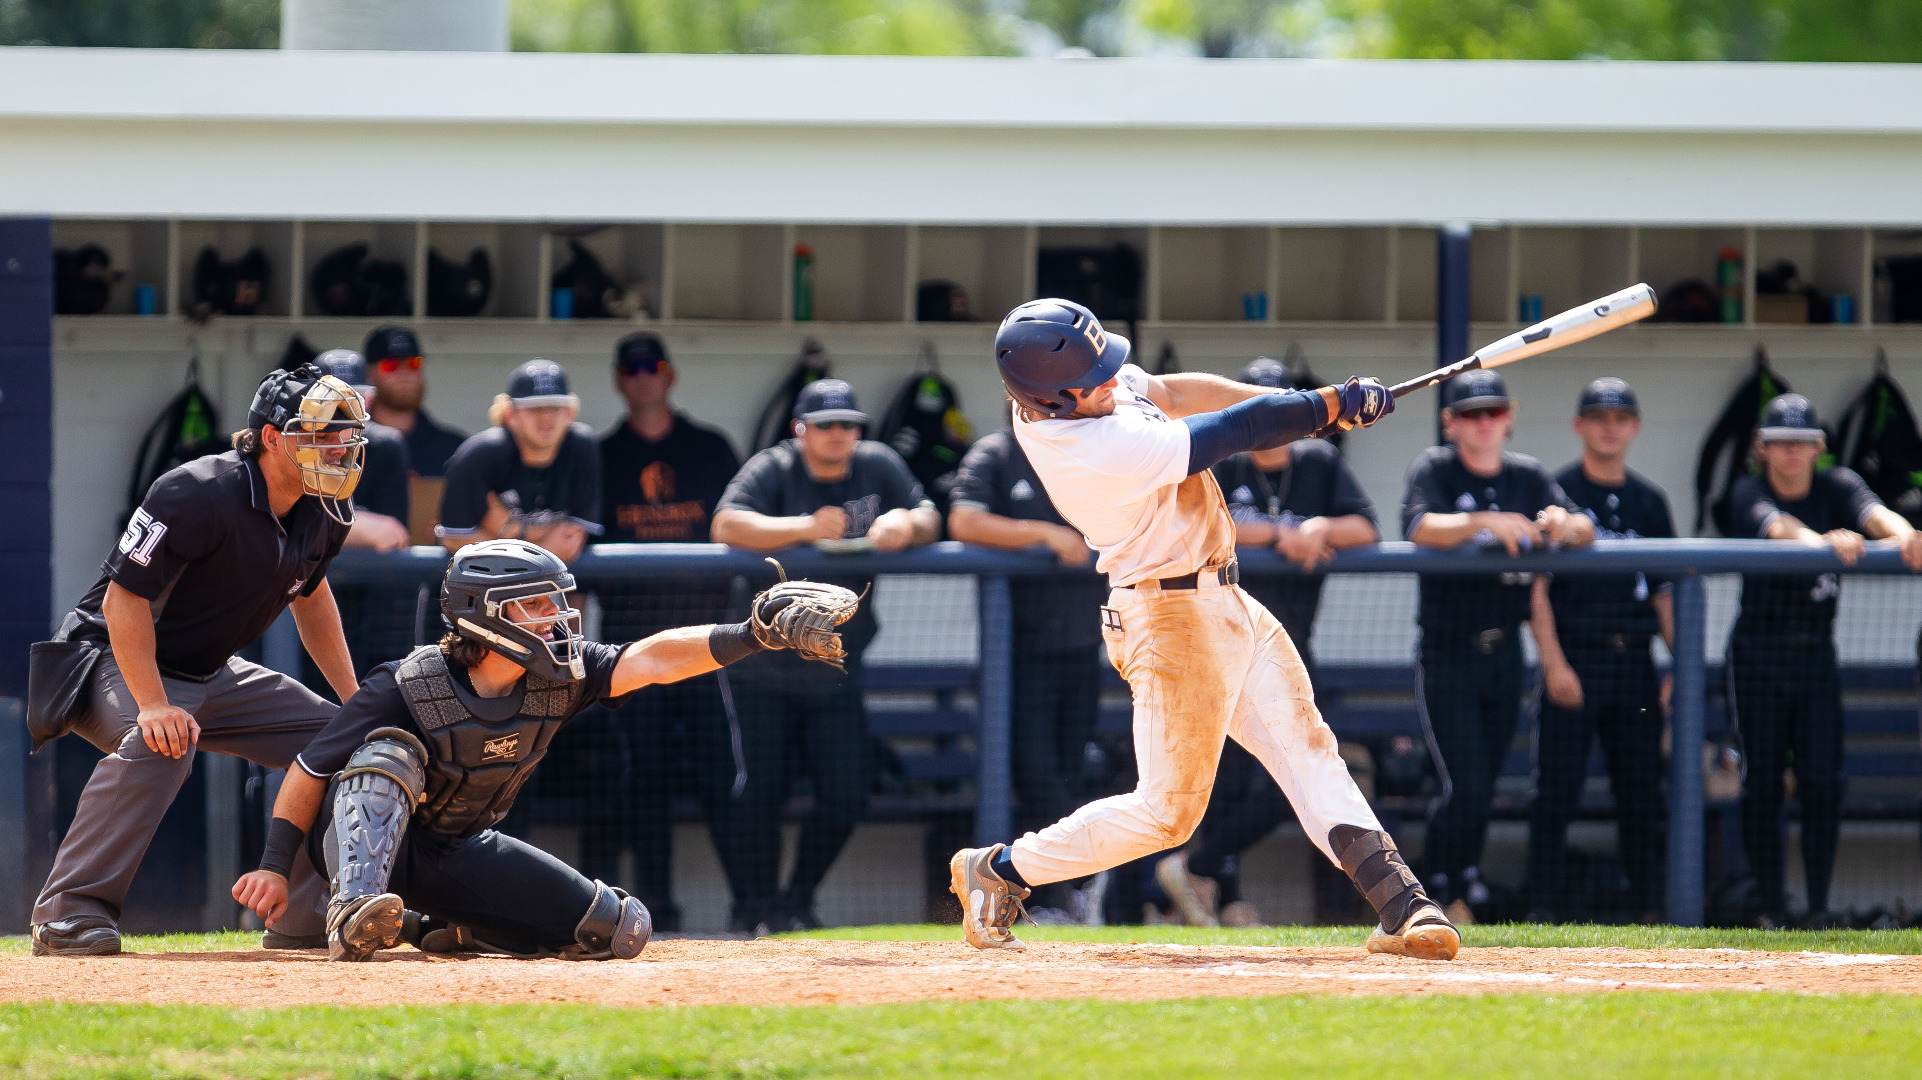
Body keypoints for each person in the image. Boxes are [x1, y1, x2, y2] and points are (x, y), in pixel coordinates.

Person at [951, 298, 1458, 960]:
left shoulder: (1086, 396)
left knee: (1310, 750)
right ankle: (1000, 869)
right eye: (1094, 379)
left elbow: (1174, 392)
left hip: (1226, 598)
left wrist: (1308, 404)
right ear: (1050, 400)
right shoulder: (1094, 447)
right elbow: (1233, 430)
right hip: (1170, 620)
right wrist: (1327, 406)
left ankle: (1404, 907)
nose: (1113, 379)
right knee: (1167, 813)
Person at [230, 539, 859, 961]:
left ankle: (437, 926)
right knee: (384, 758)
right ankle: (352, 914)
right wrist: (274, 866)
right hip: (361, 852)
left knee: (617, 929)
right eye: (534, 604)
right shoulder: (403, 685)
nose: (556, 617)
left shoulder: (561, 677)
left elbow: (652, 659)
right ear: (483, 614)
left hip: (456, 847)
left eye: (557, 601)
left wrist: (750, 634)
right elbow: (308, 770)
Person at [28, 365, 368, 956]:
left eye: (346, 435)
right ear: (272, 438)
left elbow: (312, 600)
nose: (340, 447)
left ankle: (305, 917)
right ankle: (68, 913)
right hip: (110, 658)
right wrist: (153, 704)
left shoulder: (326, 507)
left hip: (209, 671)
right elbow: (122, 601)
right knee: (162, 740)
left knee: (343, 745)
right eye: (323, 434)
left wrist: (354, 703)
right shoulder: (196, 490)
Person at [1155, 356, 1381, 928]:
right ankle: (1221, 893)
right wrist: (1279, 532)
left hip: (1294, 645)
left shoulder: (1318, 462)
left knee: (1296, 773)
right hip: (1222, 640)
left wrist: (1320, 528)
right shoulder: (1221, 457)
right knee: (1225, 778)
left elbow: (1366, 527)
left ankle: (1199, 867)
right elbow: (1191, 524)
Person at [711, 378, 940, 931]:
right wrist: (804, 529)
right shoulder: (775, 468)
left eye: (848, 425)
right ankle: (758, 910)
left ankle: (796, 901)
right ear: (801, 430)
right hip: (762, 666)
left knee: (847, 793)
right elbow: (726, 523)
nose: (839, 434)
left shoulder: (877, 465)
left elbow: (931, 515)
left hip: (835, 667)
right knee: (759, 794)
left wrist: (906, 524)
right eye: (826, 425)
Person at [1403, 369, 1594, 923]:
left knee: (1486, 785)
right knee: (1466, 783)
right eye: (1471, 414)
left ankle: (1459, 881)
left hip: (1505, 653)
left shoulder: (1528, 476)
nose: (1484, 423)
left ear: (1509, 419)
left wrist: (1561, 524)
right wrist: (1484, 522)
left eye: (1494, 412)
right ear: (1451, 423)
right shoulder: (1435, 469)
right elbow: (1419, 527)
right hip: (1449, 651)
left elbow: (1582, 528)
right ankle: (1438, 883)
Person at [1725, 393, 1922, 925]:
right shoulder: (1749, 489)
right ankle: (1770, 906)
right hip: (1757, 657)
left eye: (1802, 443)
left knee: (1823, 781)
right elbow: (1776, 527)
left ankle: (1816, 906)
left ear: (1819, 448)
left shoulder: (1837, 484)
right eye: (1781, 443)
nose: (1791, 453)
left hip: (1814, 654)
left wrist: (1907, 537)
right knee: (1762, 783)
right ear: (1762, 448)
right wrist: (1823, 542)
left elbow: (1878, 515)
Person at [585, 331, 743, 931]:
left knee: (722, 777)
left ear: (670, 375)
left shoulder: (710, 448)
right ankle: (659, 911)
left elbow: (735, 531)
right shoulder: (601, 455)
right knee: (643, 780)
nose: (644, 377)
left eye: (653, 366)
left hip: (707, 643)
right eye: (632, 369)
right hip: (630, 649)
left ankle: (753, 909)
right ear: (619, 380)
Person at [1525, 378, 1675, 923]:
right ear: (1579, 426)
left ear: (1634, 427)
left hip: (1634, 662)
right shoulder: (1557, 492)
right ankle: (1541, 909)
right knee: (1556, 791)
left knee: (1641, 792)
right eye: (1598, 418)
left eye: (1620, 419)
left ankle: (1649, 910)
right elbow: (1537, 590)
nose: (1609, 428)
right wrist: (1554, 665)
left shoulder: (1650, 502)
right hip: (1576, 659)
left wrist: (1678, 666)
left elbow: (1665, 593)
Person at [947, 421, 1107, 919]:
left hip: (1083, 644)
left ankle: (1072, 895)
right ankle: (1056, 891)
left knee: (1074, 773)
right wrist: (1044, 534)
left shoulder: (1093, 450)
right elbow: (964, 522)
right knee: (1037, 776)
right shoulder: (996, 453)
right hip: (1015, 654)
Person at [438, 359, 602, 564]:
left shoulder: (582, 447)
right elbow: (454, 538)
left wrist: (511, 529)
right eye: (534, 408)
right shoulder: (481, 453)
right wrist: (541, 542)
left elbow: (569, 543)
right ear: (510, 415)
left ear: (570, 414)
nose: (546, 418)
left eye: (555, 408)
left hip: (554, 582)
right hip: (482, 582)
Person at [362, 326, 467, 479]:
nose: (404, 373)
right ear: (369, 373)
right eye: (391, 365)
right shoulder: (350, 447)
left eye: (413, 363)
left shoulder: (455, 450)